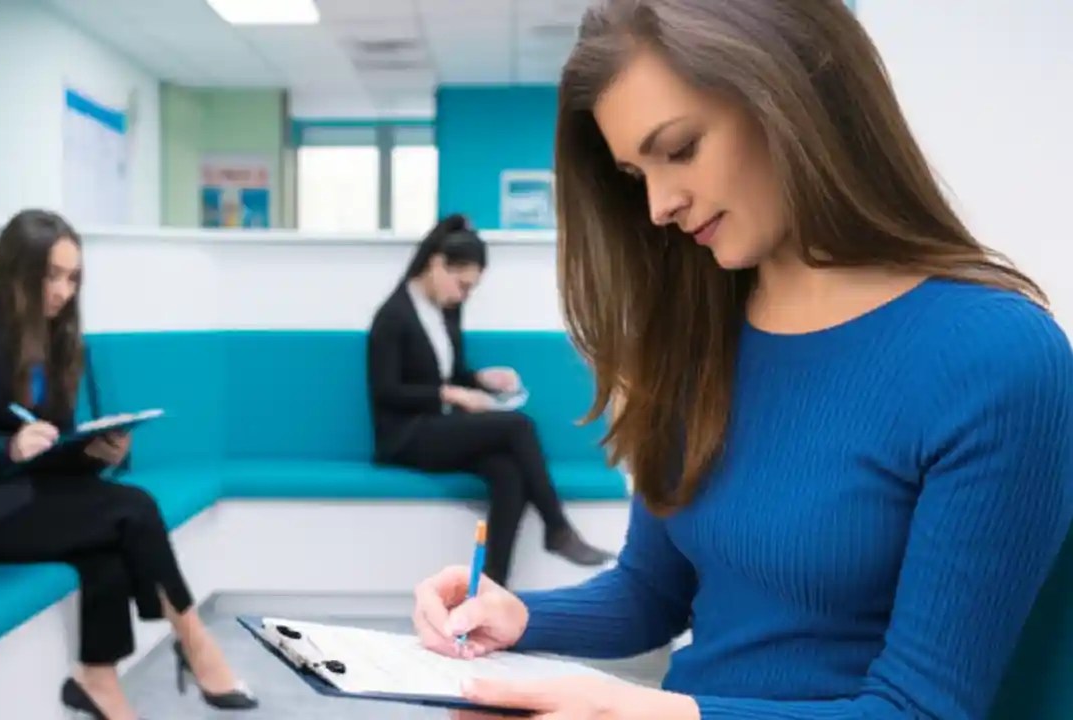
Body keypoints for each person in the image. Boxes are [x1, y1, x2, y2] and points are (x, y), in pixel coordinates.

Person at [411, 1, 1073, 718]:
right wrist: (520, 618)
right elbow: (652, 593)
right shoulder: (698, 336)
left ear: (789, 95)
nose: (660, 205)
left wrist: (632, 712)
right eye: (636, 176)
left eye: (681, 148)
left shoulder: (996, 358)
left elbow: (919, 711)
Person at [0, 210, 257, 720]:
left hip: (27, 501)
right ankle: (195, 641)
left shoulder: (54, 343)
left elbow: (55, 459)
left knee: (108, 546)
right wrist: (3, 449)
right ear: (17, 271)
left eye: (73, 278)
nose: (64, 291)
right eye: (52, 276)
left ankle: (99, 680)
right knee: (133, 508)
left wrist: (96, 454)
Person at [367, 214, 614, 588]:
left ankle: (491, 586)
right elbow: (386, 391)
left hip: (438, 427)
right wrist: (451, 394)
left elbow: (445, 371)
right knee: (519, 425)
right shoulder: (392, 316)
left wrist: (480, 379)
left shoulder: (444, 312)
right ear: (436, 264)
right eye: (461, 284)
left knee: (506, 471)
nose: (464, 295)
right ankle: (557, 527)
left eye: (470, 289)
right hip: (404, 436)